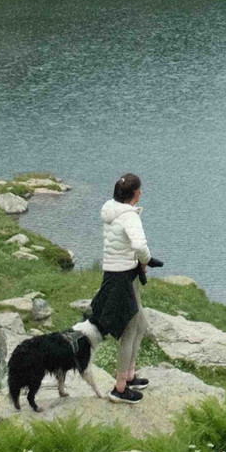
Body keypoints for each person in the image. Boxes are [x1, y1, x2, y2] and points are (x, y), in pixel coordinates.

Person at [92, 172, 156, 403]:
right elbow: (139, 245)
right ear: (135, 194)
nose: (141, 193)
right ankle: (119, 388)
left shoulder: (111, 210)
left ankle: (129, 375)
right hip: (122, 279)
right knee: (129, 331)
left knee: (140, 324)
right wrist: (146, 260)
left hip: (119, 274)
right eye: (140, 190)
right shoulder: (129, 217)